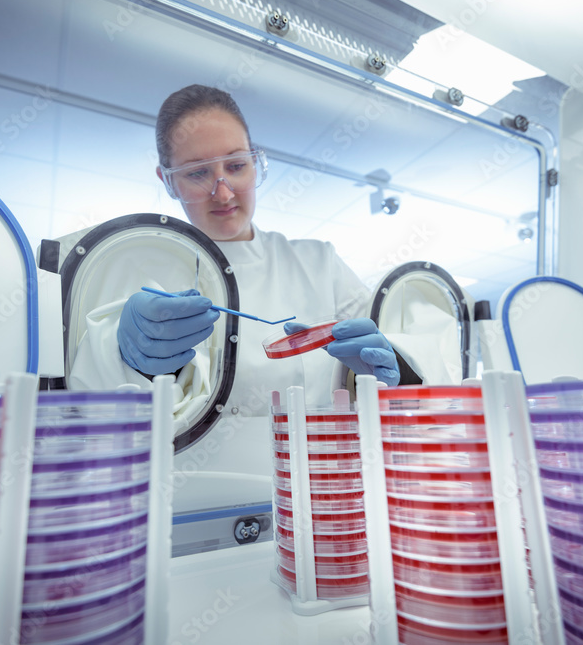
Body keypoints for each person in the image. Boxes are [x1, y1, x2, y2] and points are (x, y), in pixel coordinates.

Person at [70, 85, 423, 457]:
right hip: (184, 484)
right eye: (197, 173)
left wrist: (392, 372)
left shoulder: (318, 263)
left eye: (236, 166)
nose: (223, 193)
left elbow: (410, 385)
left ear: (256, 162)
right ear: (168, 181)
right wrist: (128, 360)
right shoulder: (133, 266)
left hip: (310, 478)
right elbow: (98, 416)